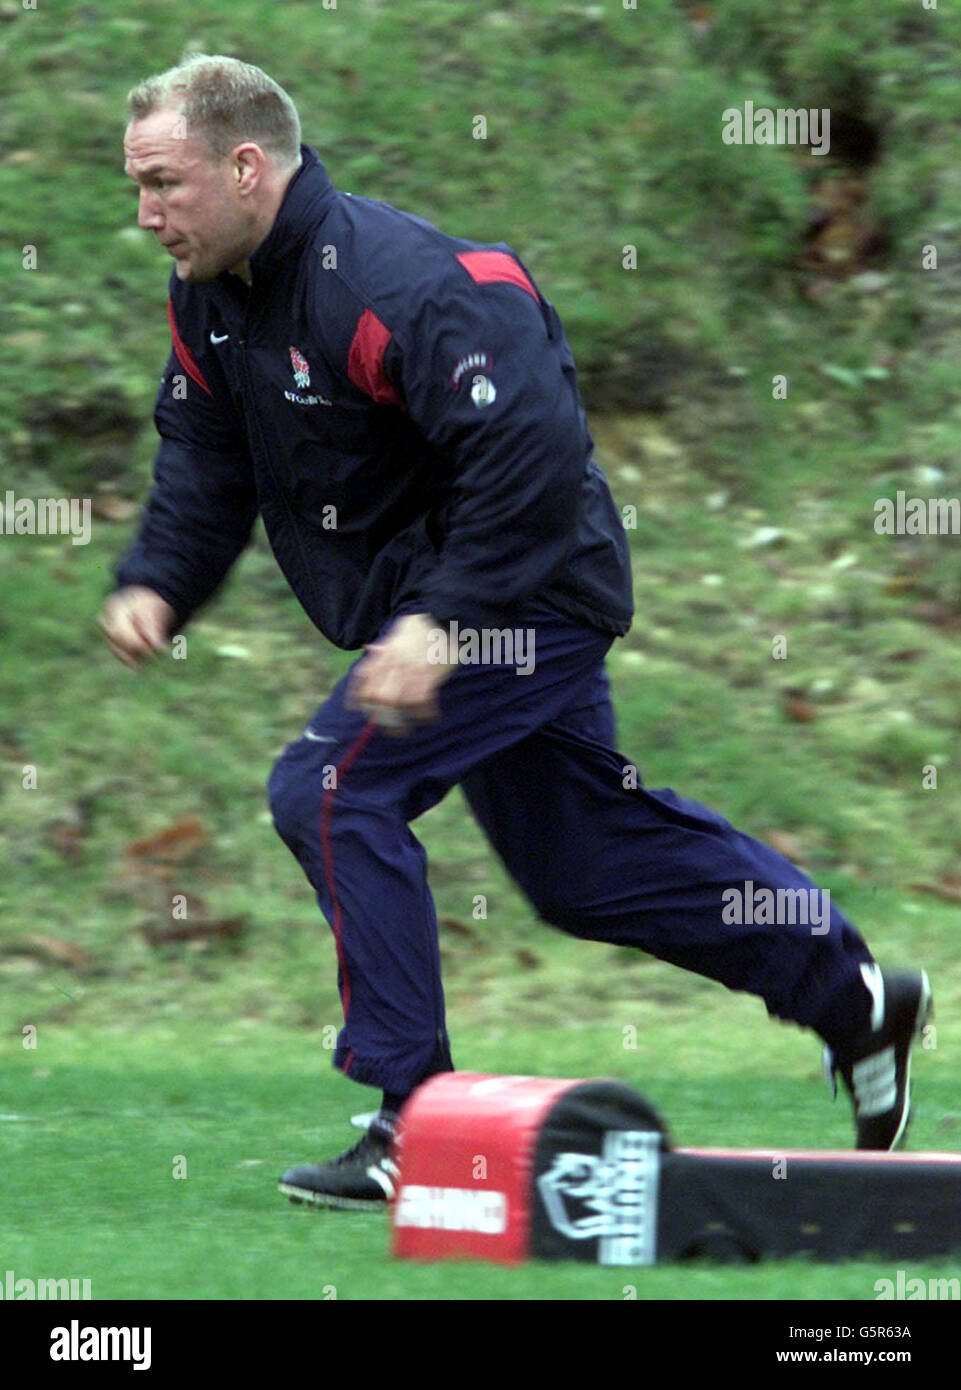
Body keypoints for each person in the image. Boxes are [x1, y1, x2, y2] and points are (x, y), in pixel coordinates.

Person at [102, 54, 931, 1211]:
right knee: (583, 867)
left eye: (160, 184)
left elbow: (529, 462)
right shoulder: (216, 295)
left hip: (525, 591)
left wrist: (446, 620)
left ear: (246, 167)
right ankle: (852, 993)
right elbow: (205, 452)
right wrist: (157, 580)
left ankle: (413, 1115)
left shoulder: (410, 284)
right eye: (136, 187)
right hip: (448, 606)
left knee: (330, 789)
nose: (143, 214)